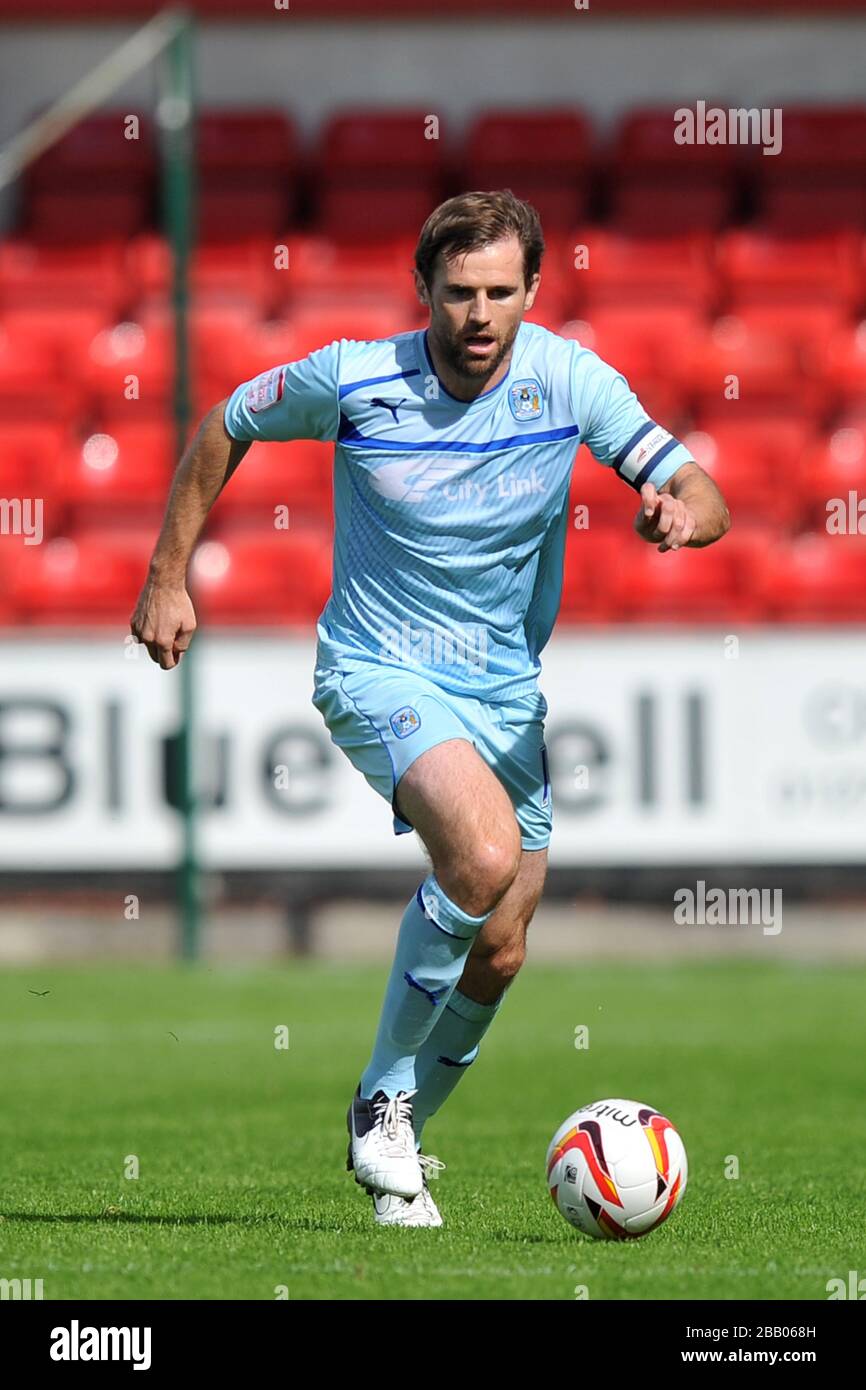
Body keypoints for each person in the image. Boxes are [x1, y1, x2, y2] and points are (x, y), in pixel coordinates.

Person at [130, 189, 730, 1229]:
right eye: (459, 293)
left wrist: (680, 511)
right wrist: (166, 574)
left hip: (502, 690)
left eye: (501, 291)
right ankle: (381, 1096)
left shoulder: (567, 380)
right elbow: (226, 420)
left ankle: (397, 1146)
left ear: (533, 291)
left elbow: (700, 484)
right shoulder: (355, 379)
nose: (480, 314)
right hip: (375, 668)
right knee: (483, 853)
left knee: (500, 946)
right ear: (424, 291)